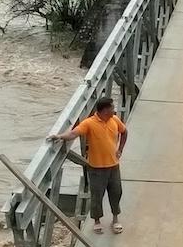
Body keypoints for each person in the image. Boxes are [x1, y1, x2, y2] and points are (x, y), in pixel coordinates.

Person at [47, 98, 128, 234]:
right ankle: (97, 221)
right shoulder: (89, 123)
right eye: (111, 108)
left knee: (116, 192)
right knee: (97, 195)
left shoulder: (114, 120)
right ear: (104, 110)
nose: (114, 110)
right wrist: (60, 136)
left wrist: (120, 149)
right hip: (96, 168)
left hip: (113, 165)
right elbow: (74, 133)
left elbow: (124, 132)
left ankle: (115, 219)